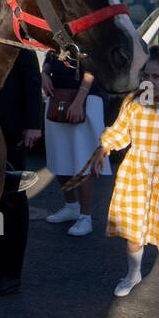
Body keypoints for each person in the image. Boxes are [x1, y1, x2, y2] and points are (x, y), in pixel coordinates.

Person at [87, 47, 159, 315]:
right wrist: (101, 149)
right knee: (133, 234)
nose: (149, 81)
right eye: (145, 75)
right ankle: (133, 274)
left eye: (156, 76)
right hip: (135, 173)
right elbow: (119, 133)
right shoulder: (133, 102)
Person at [0, 49, 44, 296]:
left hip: (12, 130)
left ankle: (10, 273)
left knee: (11, 200)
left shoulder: (19, 40)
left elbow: (32, 80)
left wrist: (33, 124)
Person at [42, 50, 109, 235]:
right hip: (58, 99)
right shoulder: (57, 34)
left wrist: (79, 101)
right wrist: (44, 75)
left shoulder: (85, 34)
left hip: (86, 100)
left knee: (83, 161)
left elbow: (92, 69)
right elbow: (49, 59)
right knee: (59, 158)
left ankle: (86, 217)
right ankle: (71, 206)